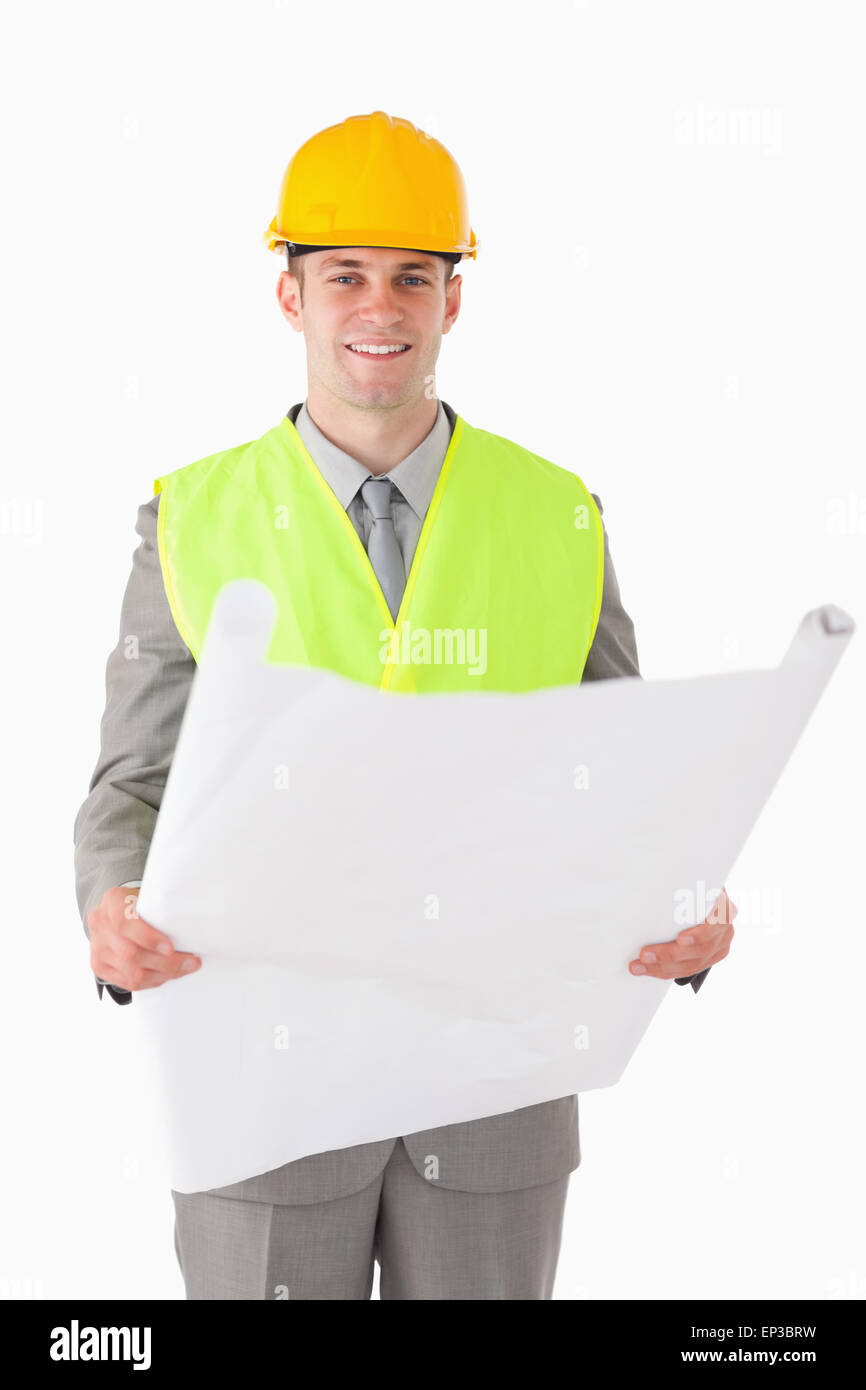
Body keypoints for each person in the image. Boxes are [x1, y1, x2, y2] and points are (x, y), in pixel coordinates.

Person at [74, 110, 735, 1300]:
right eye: (344, 276)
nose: (378, 307)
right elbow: (132, 783)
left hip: (494, 1085)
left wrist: (685, 893)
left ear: (451, 299)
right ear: (291, 299)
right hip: (262, 1075)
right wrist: (110, 902)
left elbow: (620, 769)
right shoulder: (192, 515)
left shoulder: (556, 511)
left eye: (411, 277)